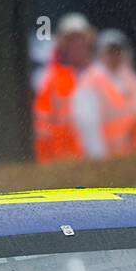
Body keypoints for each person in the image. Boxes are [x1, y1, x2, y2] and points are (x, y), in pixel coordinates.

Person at [72, 29, 136, 159]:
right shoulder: (90, 82)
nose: (115, 55)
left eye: (118, 51)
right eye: (110, 51)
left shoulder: (132, 79)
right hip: (110, 158)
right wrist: (99, 158)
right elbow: (88, 126)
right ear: (101, 53)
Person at [33, 13, 94, 163]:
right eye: (71, 41)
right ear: (63, 45)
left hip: (111, 164)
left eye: (80, 39)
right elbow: (42, 129)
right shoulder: (52, 81)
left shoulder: (102, 77)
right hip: (69, 164)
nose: (76, 45)